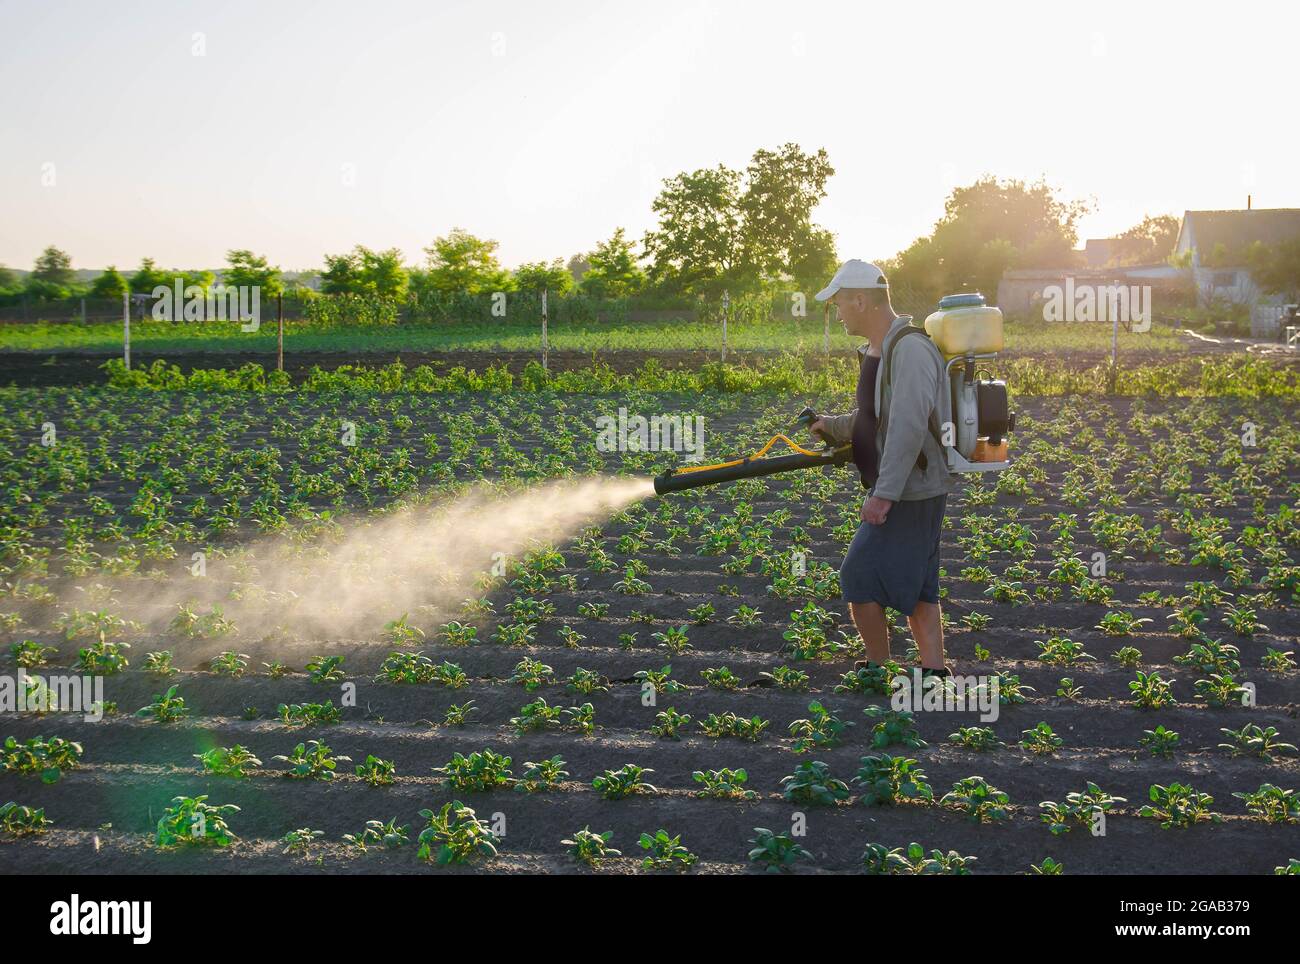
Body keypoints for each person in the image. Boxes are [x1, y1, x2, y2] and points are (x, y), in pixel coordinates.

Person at [808, 260, 954, 676]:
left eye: (838, 302)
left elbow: (907, 426)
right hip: (910, 487)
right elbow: (876, 415)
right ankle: (934, 672)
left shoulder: (909, 349)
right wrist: (833, 428)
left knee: (858, 576)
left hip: (910, 488)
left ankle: (877, 666)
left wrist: (883, 495)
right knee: (922, 587)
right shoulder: (880, 348)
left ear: (860, 300)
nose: (836, 312)